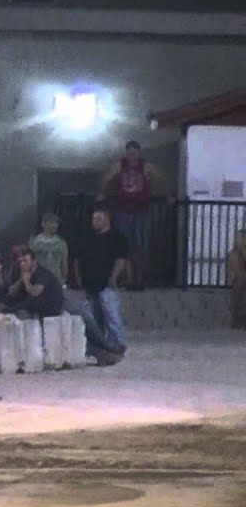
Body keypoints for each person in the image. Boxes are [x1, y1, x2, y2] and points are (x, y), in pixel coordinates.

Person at [98, 140, 170, 290]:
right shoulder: (120, 165)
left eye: (134, 152)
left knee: (140, 245)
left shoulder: (146, 166)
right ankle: (130, 279)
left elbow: (161, 177)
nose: (132, 156)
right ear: (126, 153)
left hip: (140, 210)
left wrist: (169, 194)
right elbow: (107, 177)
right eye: (129, 153)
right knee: (126, 246)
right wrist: (102, 193)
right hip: (123, 210)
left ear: (138, 152)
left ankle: (140, 279)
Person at [72, 208, 128, 365]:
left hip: (106, 284)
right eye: (93, 218)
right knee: (96, 318)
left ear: (107, 220)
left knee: (111, 315)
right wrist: (79, 278)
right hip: (90, 284)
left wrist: (114, 277)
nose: (94, 222)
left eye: (98, 218)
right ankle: (103, 345)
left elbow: (121, 259)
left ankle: (119, 344)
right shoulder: (88, 238)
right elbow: (78, 259)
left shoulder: (117, 237)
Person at [6, 244, 64, 319]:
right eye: (20, 262)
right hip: (35, 304)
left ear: (34, 261)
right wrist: (21, 280)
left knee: (30, 301)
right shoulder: (21, 272)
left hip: (51, 306)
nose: (22, 264)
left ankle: (15, 311)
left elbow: (35, 292)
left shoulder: (43, 273)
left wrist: (26, 282)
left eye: (25, 261)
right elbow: (11, 293)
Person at [29, 212, 69, 285]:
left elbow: (64, 263)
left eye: (56, 223)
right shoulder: (34, 242)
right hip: (39, 280)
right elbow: (30, 262)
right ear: (43, 224)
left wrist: (64, 279)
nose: (54, 225)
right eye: (51, 223)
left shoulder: (61, 243)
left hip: (56, 279)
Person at [229, 229, 246, 330]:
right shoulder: (234, 255)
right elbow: (238, 272)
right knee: (239, 308)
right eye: (241, 238)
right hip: (238, 286)